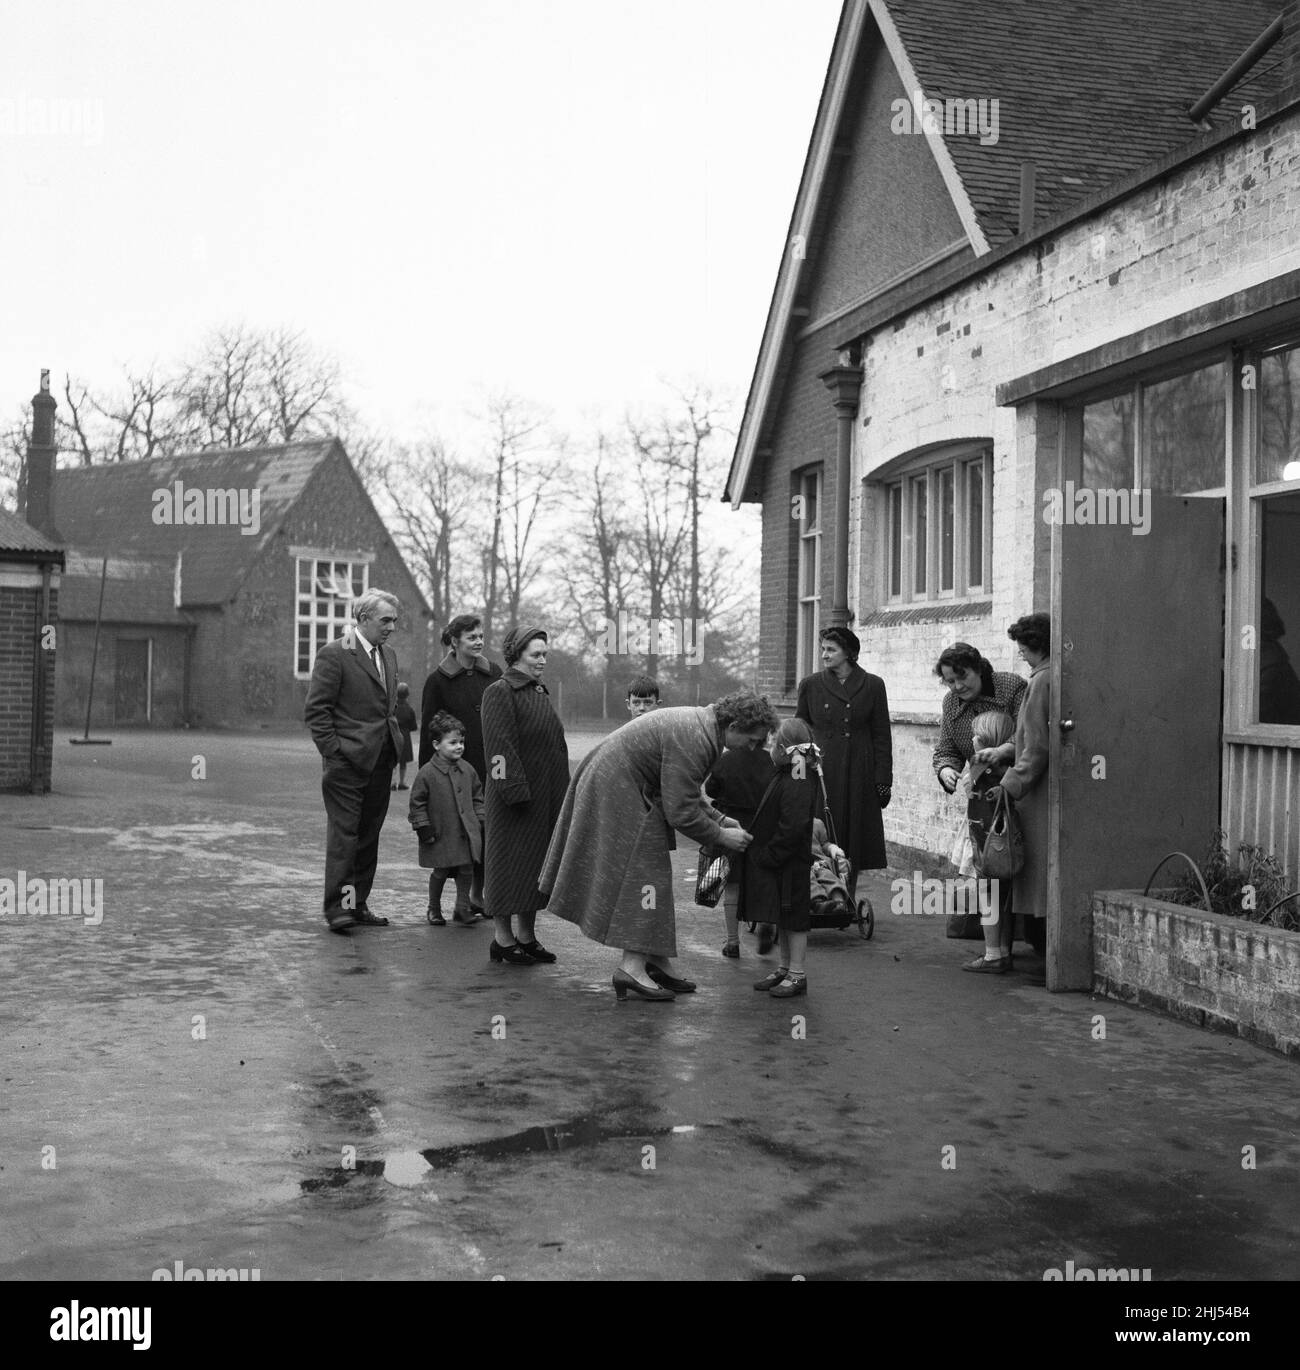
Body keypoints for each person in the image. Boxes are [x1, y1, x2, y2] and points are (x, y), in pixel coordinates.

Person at [540, 691, 778, 1001]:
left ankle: (654, 960)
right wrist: (721, 836)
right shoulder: (695, 737)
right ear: (733, 725)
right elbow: (680, 812)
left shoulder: (703, 728)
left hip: (623, 784)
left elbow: (687, 794)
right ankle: (631, 968)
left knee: (654, 877)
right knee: (644, 878)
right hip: (615, 786)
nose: (754, 748)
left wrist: (721, 820)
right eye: (753, 740)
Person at [304, 589, 404, 933]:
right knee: (345, 837)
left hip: (381, 760)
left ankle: (358, 904)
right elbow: (317, 711)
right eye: (385, 620)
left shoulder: (388, 655)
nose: (391, 627)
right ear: (362, 619)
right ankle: (339, 909)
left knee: (368, 836)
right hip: (347, 764)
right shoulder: (335, 654)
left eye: (394, 620)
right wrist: (335, 753)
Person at [931, 641, 1027, 972]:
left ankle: (1008, 948)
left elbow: (1030, 734)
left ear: (979, 669)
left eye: (963, 678)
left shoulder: (1011, 687)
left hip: (1018, 792)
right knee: (988, 873)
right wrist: (945, 770)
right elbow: (946, 748)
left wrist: (1004, 750)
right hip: (980, 799)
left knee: (1013, 870)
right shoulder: (951, 703)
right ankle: (995, 950)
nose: (958, 687)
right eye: (950, 681)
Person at [480, 627, 569, 965]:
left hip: (541, 799)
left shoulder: (537, 691)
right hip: (513, 801)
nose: (542, 660)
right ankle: (502, 940)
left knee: (533, 869)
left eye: (545, 654)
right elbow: (498, 750)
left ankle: (526, 937)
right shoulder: (499, 691)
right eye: (536, 655)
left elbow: (551, 746)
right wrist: (514, 793)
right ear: (516, 655)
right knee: (506, 868)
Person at [795, 627, 892, 899]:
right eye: (823, 649)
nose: (824, 655)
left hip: (860, 770)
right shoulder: (811, 685)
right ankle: (823, 893)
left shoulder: (873, 685)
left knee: (855, 834)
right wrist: (797, 775)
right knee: (823, 832)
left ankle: (847, 895)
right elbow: (798, 731)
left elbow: (882, 735)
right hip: (823, 771)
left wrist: (883, 780)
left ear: (849, 653)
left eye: (831, 650)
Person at [419, 614, 503, 917]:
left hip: (490, 769)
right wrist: (426, 780)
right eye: (471, 637)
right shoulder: (437, 681)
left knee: (485, 833)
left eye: (481, 636)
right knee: (456, 837)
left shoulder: (494, 672)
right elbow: (429, 732)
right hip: (455, 774)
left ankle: (476, 896)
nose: (479, 641)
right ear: (455, 642)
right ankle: (451, 903)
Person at [746, 719, 820, 999]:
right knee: (784, 915)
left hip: (791, 859)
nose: (770, 746)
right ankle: (785, 968)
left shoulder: (798, 776)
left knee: (795, 916)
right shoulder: (790, 771)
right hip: (783, 859)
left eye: (775, 740)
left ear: (786, 747)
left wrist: (771, 853)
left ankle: (797, 974)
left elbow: (794, 822)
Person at [995, 613, 1051, 962]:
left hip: (1036, 792)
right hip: (1042, 788)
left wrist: (1011, 782)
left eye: (1024, 649)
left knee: (1032, 870)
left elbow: (1037, 745)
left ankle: (1041, 948)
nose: (1021, 656)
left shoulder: (1041, 681)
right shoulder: (1051, 676)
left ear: (1037, 647)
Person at [703, 727, 776, 957]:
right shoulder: (772, 761)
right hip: (763, 828)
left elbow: (710, 789)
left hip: (731, 827)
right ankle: (766, 925)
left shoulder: (726, 759)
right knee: (763, 883)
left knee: (732, 886)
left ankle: (732, 942)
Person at [409, 710, 485, 928]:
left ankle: (462, 907)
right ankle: (433, 908)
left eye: (461, 742)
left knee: (466, 869)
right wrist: (423, 827)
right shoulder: (427, 773)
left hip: (465, 834)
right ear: (436, 745)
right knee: (440, 870)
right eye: (452, 743)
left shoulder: (468, 770)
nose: (459, 746)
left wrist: (480, 819)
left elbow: (477, 796)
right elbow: (417, 803)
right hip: (440, 833)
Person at [960, 710, 1015, 968]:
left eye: (975, 735)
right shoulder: (1009, 769)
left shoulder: (980, 765)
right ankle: (1003, 950)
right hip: (1004, 842)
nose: (971, 739)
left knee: (987, 896)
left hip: (984, 841)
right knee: (1003, 898)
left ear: (984, 739)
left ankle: (992, 954)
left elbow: (967, 787)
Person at [392, 683, 417, 790]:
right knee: (403, 761)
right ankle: (402, 782)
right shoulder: (410, 709)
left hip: (394, 735)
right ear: (407, 694)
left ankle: (392, 783)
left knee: (393, 761)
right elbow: (414, 726)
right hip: (405, 736)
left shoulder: (393, 708)